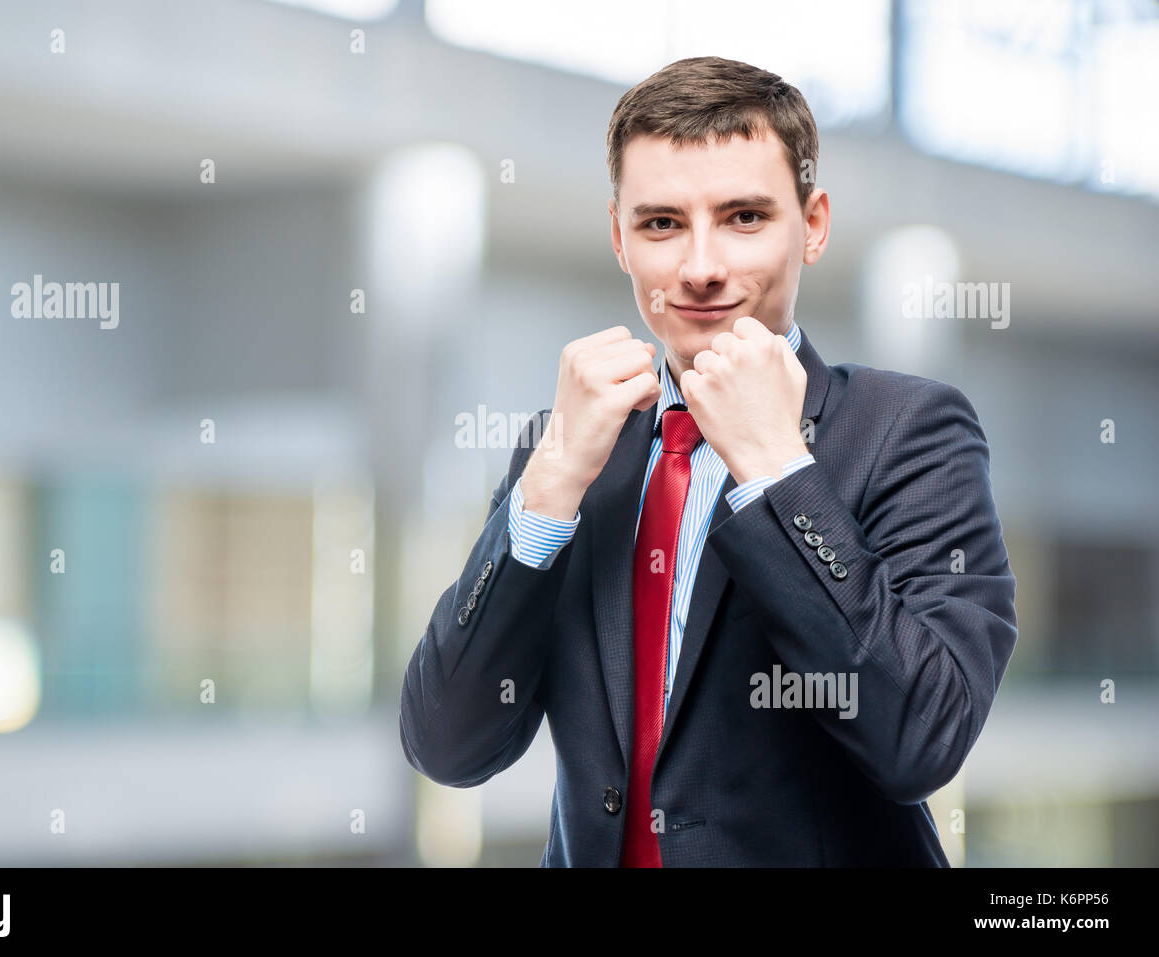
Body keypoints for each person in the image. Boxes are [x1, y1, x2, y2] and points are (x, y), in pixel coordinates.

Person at [399, 56, 1017, 866]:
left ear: (814, 224)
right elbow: (448, 743)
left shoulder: (909, 429)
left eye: (744, 217)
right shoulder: (573, 446)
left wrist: (776, 467)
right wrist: (547, 488)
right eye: (661, 223)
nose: (699, 267)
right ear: (620, 237)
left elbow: (922, 738)